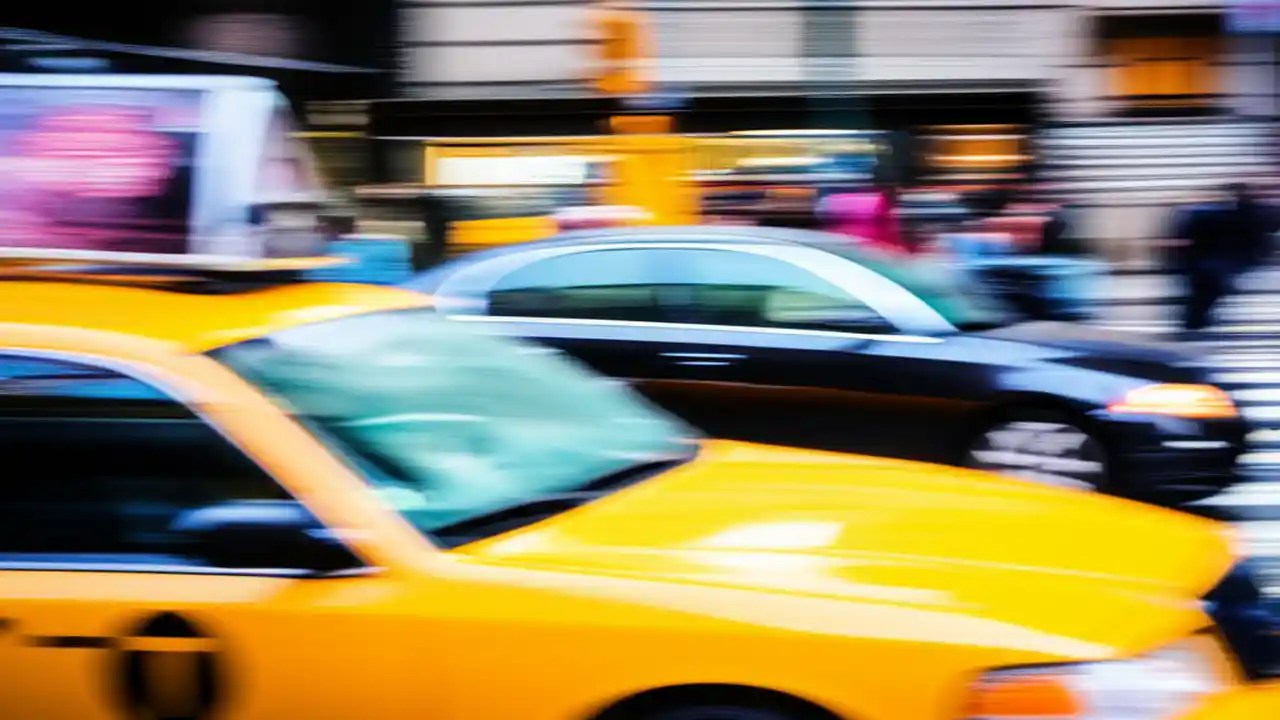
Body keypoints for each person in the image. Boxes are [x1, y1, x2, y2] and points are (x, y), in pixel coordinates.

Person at [1175, 182, 1276, 334]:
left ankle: (1195, 321)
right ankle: (1195, 321)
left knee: (1206, 290)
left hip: (1214, 260)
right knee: (1208, 290)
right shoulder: (1235, 213)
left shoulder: (1216, 212)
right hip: (1219, 259)